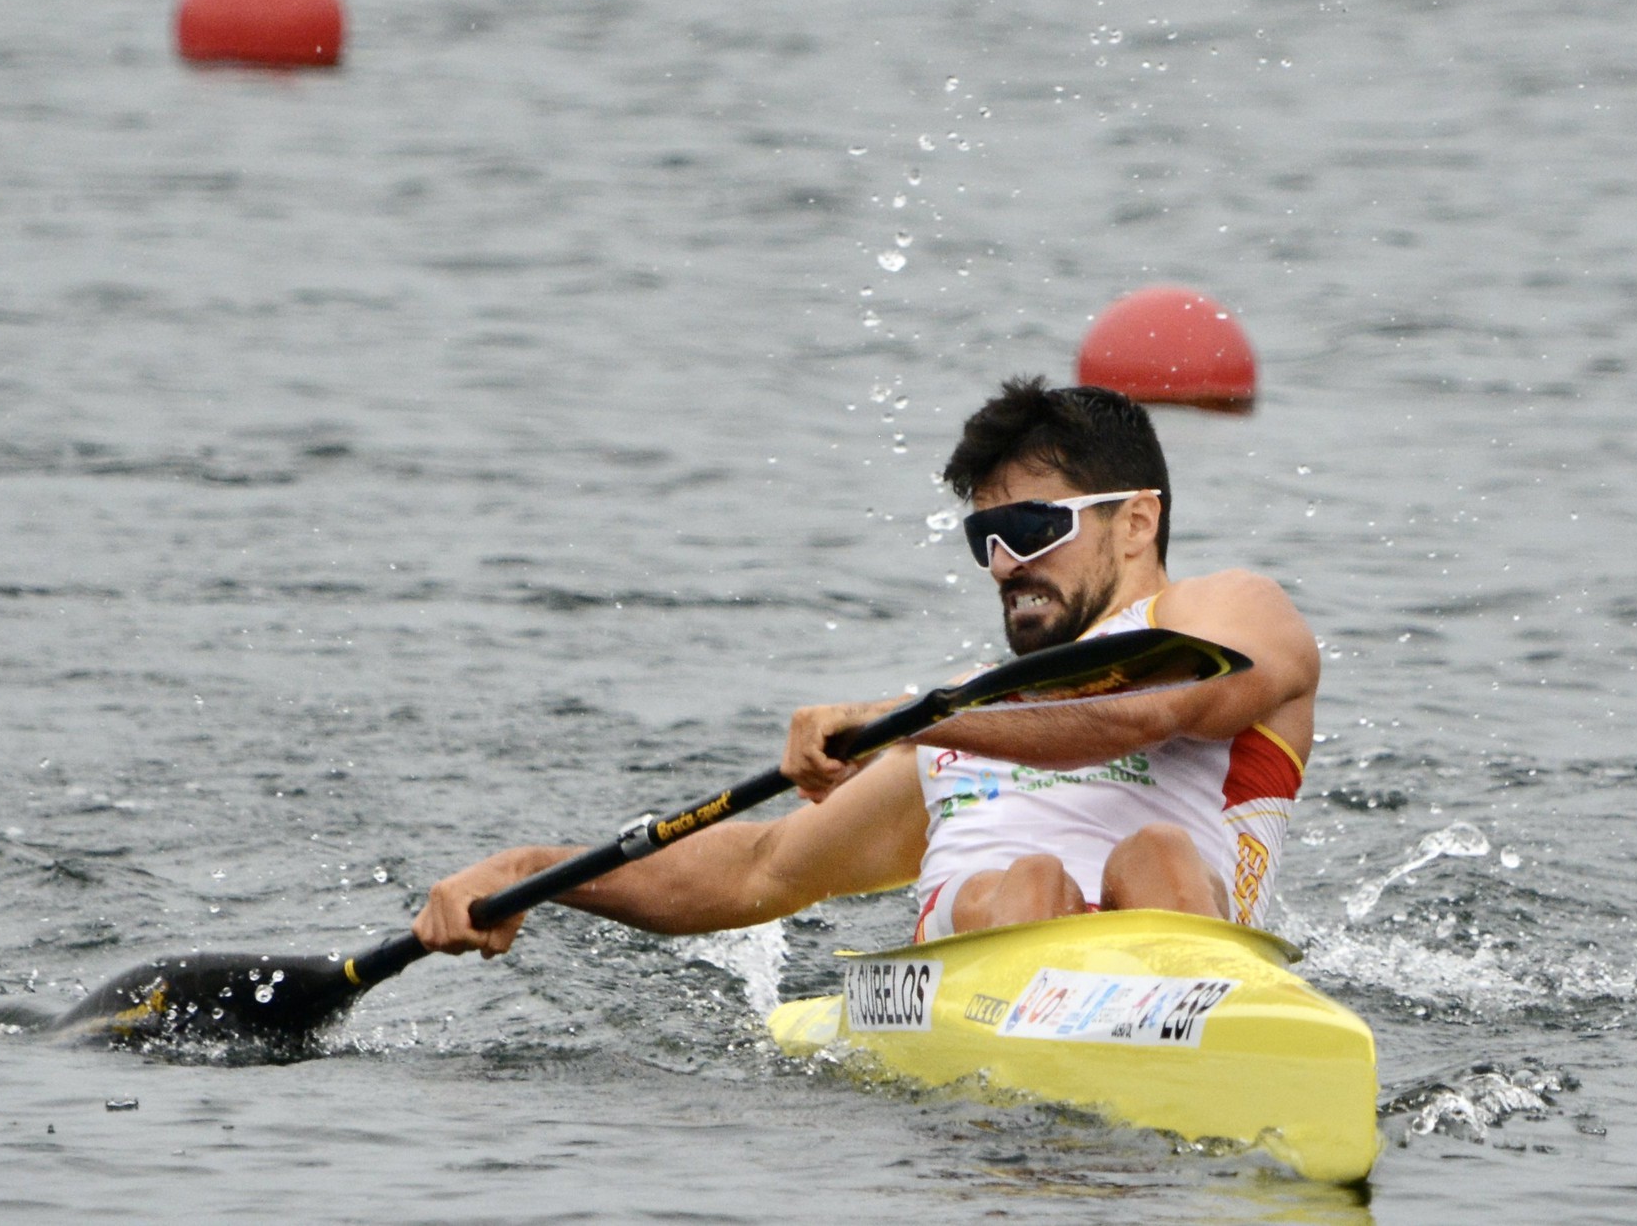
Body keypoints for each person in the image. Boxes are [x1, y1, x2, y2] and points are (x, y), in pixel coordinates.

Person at [412, 377, 1318, 958]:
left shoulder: (1227, 611)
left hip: (1186, 947)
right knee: (1030, 880)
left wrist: (921, 716)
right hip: (992, 959)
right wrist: (531, 869)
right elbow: (757, 871)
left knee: (1156, 852)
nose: (1005, 562)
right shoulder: (954, 743)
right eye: (984, 537)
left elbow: (1148, 715)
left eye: (1035, 528)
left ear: (1135, 522)